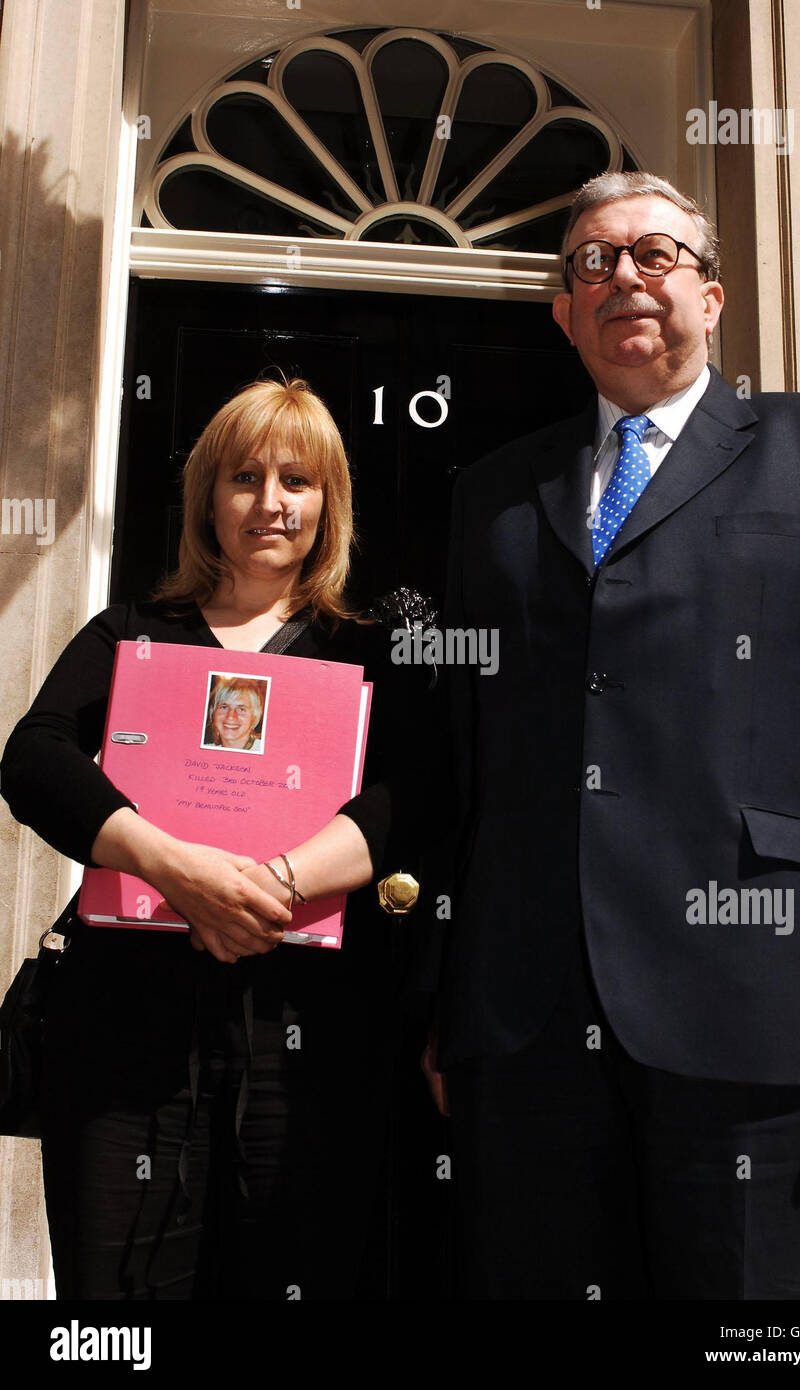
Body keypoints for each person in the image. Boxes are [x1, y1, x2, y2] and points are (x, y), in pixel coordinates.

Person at [423, 171, 800, 1300]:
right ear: (560, 311)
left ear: (712, 296)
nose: (623, 276)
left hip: (751, 989)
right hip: (526, 1009)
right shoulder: (490, 491)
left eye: (654, 255)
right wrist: (441, 989)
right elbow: (455, 759)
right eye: (591, 261)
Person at [1, 375, 424, 1299]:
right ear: (208, 499)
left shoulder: (370, 651)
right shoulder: (133, 635)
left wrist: (267, 884)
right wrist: (178, 868)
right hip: (125, 1041)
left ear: (330, 503)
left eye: (297, 481)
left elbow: (416, 798)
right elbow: (32, 760)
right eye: (243, 478)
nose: (270, 503)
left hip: (310, 1042)